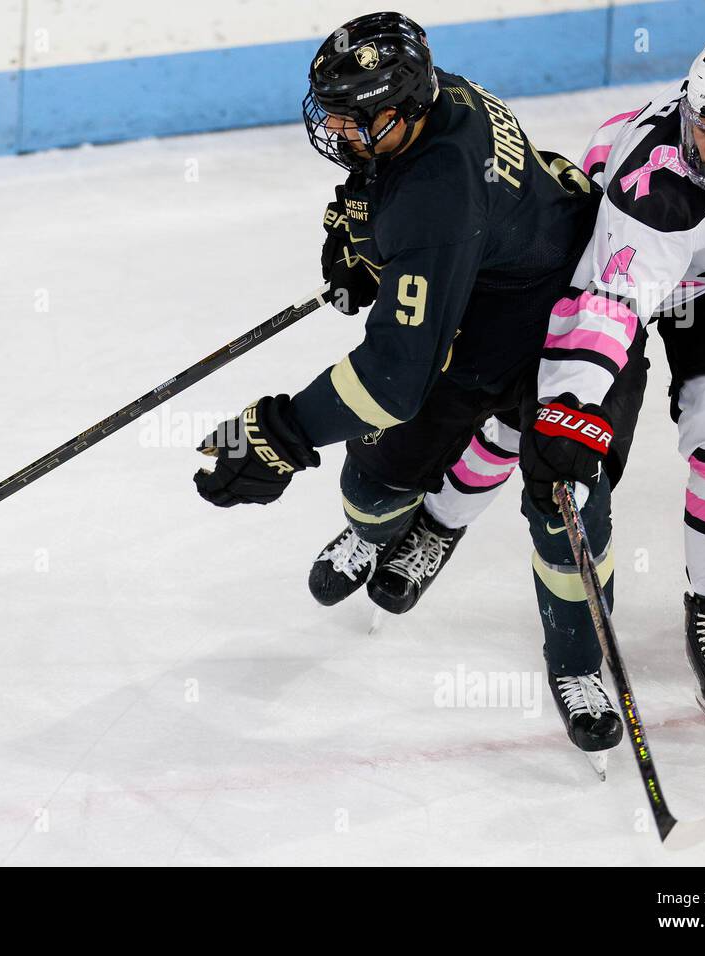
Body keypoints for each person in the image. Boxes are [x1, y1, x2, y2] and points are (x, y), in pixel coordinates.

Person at [192, 11, 648, 775]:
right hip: (482, 305)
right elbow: (403, 196)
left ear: (401, 109)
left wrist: (281, 432)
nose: (333, 126)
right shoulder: (442, 100)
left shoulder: (438, 200)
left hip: (571, 333)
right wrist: (366, 239)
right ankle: (382, 532)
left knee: (567, 503)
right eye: (329, 107)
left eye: (351, 115)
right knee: (377, 478)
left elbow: (394, 378)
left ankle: (577, 663)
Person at [392, 12, 705, 739]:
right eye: (702, 128)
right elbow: (606, 308)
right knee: (533, 425)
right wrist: (570, 408)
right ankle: (440, 520)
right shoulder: (655, 190)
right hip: (613, 259)